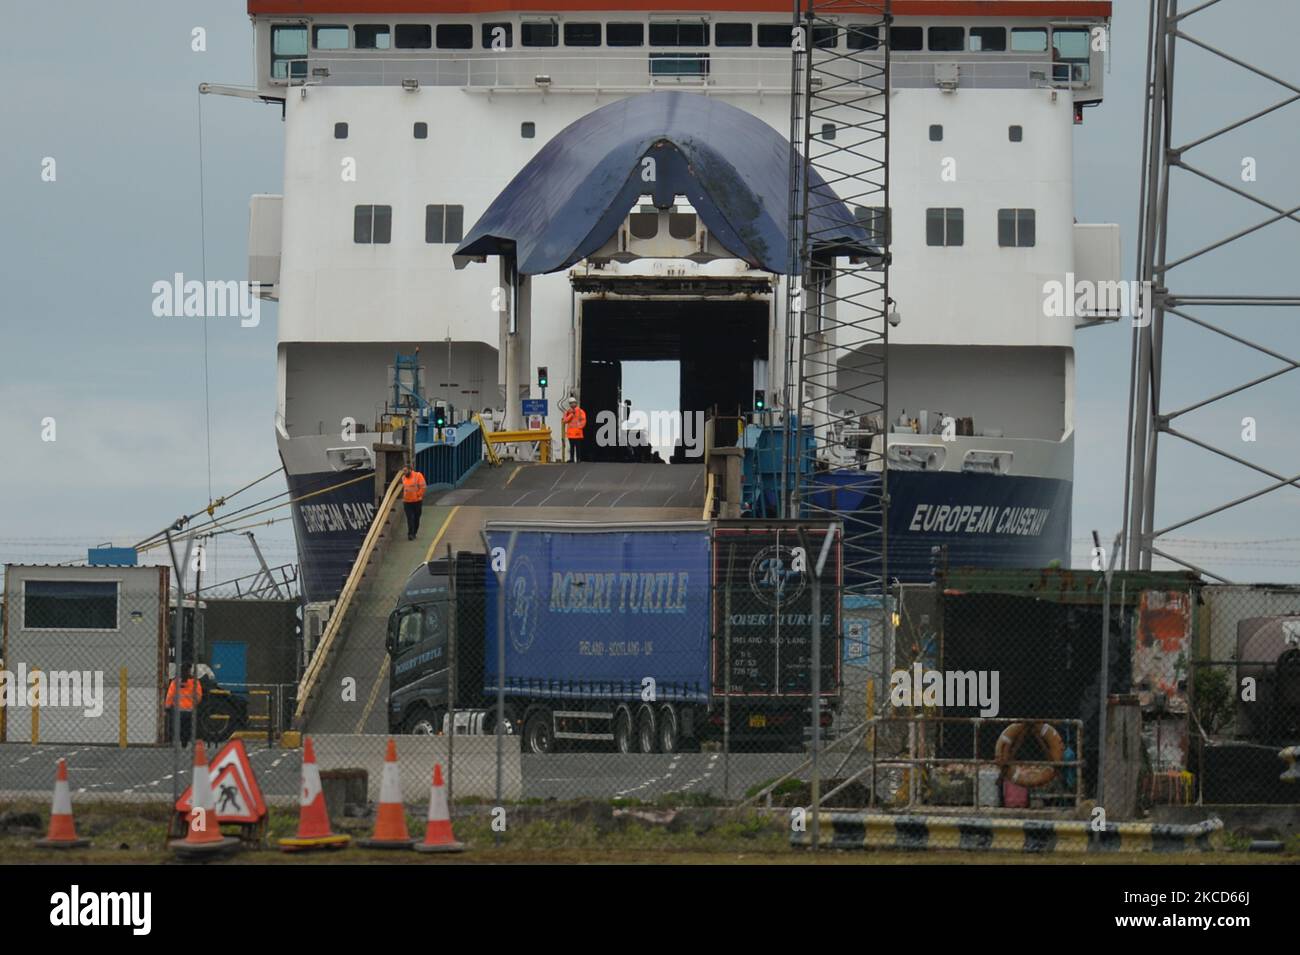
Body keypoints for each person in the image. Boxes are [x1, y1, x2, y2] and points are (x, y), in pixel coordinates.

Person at [164, 663, 203, 747]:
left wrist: (167, 706)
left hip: (178, 710)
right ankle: (184, 743)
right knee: (187, 728)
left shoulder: (175, 682)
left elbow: (170, 695)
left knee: (176, 727)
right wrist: (194, 704)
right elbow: (198, 695)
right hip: (190, 710)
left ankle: (173, 742)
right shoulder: (195, 682)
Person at [401, 465, 426, 540]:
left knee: (416, 518)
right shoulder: (403, 478)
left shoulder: (418, 476)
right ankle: (410, 534)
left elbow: (423, 487)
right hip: (407, 502)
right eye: (403, 471)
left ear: (410, 470)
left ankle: (414, 532)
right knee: (410, 518)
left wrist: (418, 495)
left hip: (417, 501)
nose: (404, 472)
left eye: (405, 471)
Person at [562, 397, 587, 463]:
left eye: (573, 403)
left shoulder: (580, 411)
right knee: (572, 447)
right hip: (570, 433)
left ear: (576, 403)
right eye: (570, 403)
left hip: (577, 432)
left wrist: (579, 427)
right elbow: (564, 420)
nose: (572, 404)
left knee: (578, 447)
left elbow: (583, 420)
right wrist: (571, 415)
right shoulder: (568, 412)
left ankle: (578, 459)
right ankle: (572, 459)